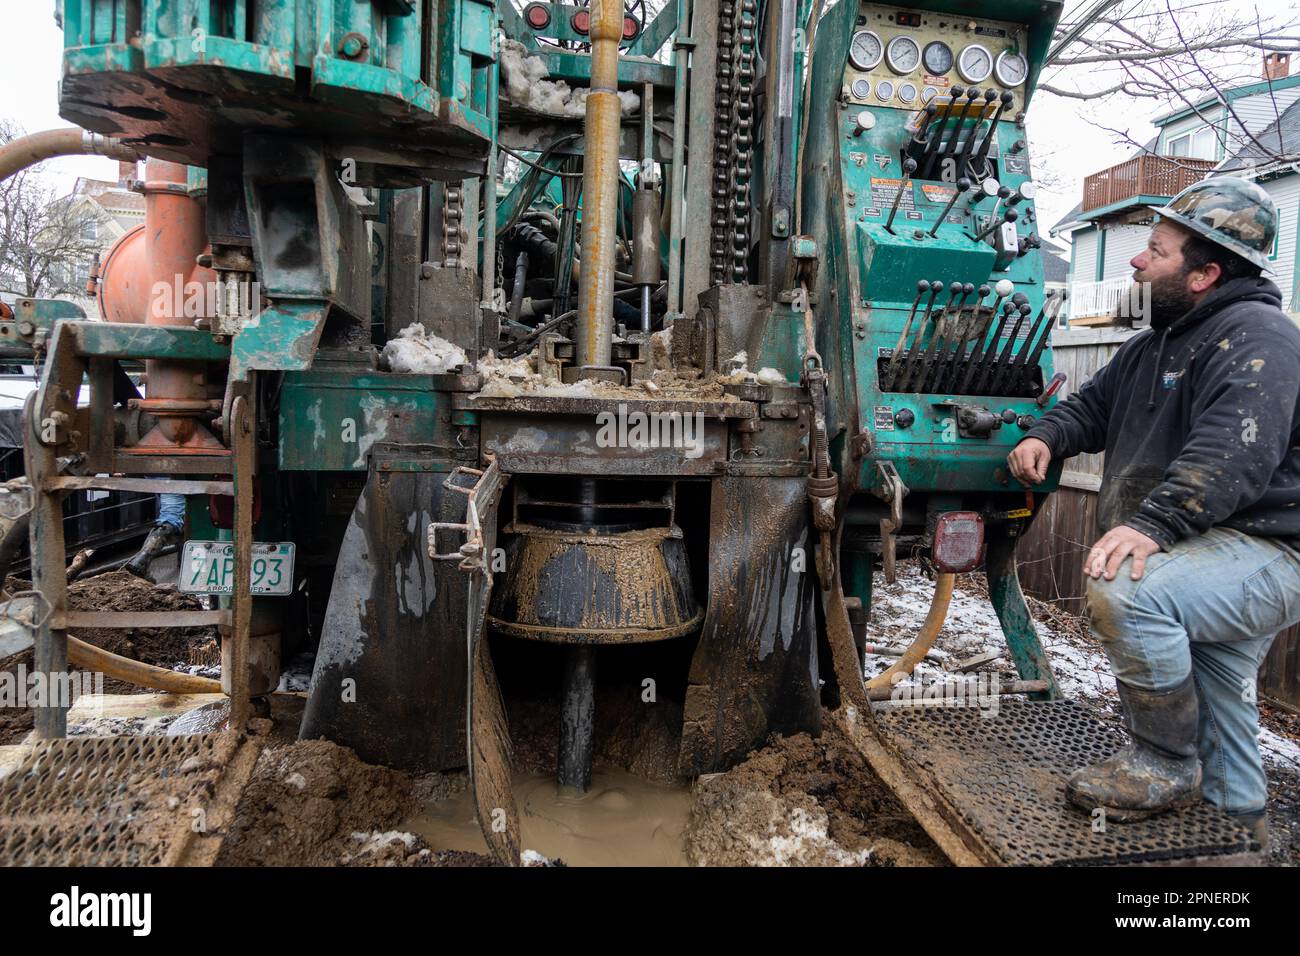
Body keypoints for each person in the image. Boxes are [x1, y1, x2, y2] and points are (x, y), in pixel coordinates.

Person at [1007, 177, 1300, 846]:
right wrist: (1045, 436)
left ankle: (1163, 762)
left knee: (1130, 592)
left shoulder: (1258, 337)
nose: (1137, 261)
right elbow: (1091, 408)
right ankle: (1236, 842)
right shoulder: (1153, 345)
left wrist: (1152, 524)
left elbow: (1234, 455)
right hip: (1207, 550)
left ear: (1204, 274)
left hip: (1266, 552)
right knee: (1217, 693)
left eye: (1157, 251)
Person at [124, 491, 185, 580]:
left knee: (175, 515)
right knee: (172, 518)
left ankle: (183, 559)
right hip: (176, 480)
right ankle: (141, 562)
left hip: (160, 479)